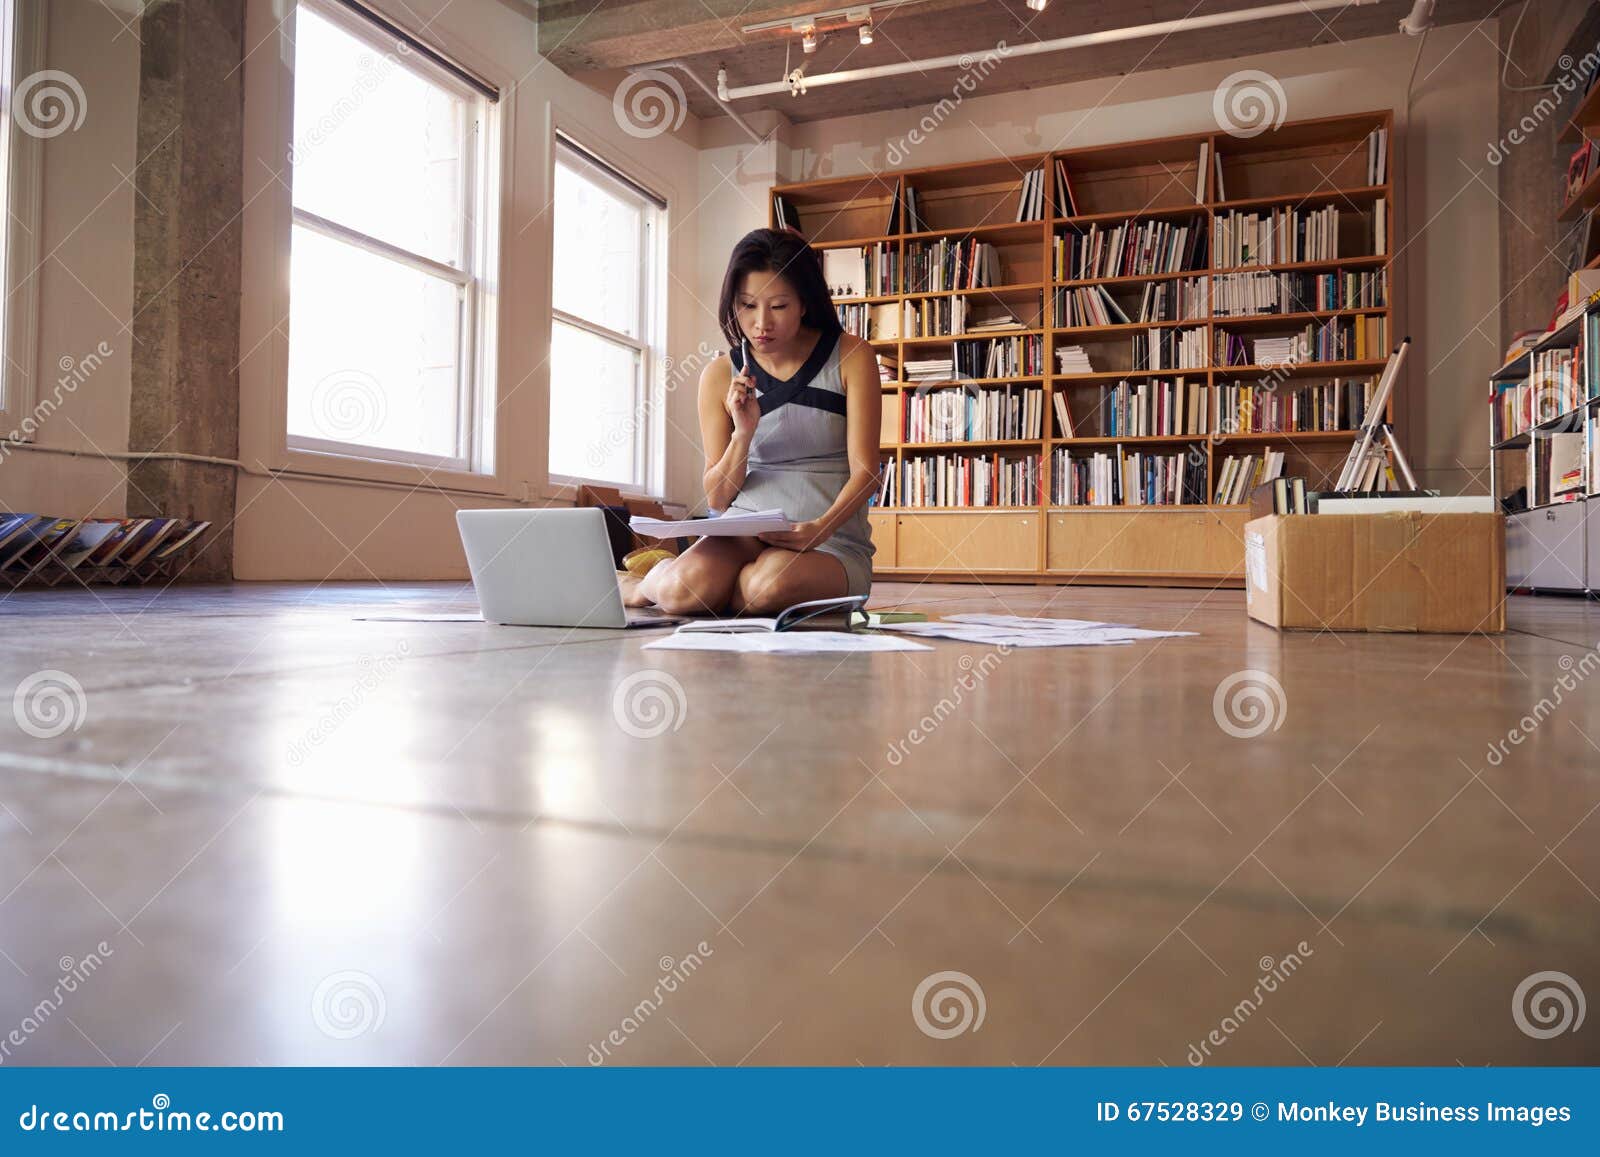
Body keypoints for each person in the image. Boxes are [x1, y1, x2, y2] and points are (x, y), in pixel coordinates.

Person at [622, 228, 881, 615]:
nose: (762, 323)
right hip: (745, 531)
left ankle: (725, 588)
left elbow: (867, 473)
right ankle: (646, 581)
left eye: (778, 307)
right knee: (681, 593)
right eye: (747, 305)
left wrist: (819, 529)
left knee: (766, 588)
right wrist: (743, 435)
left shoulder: (852, 355)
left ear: (804, 304)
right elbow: (717, 497)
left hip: (828, 536)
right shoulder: (718, 375)